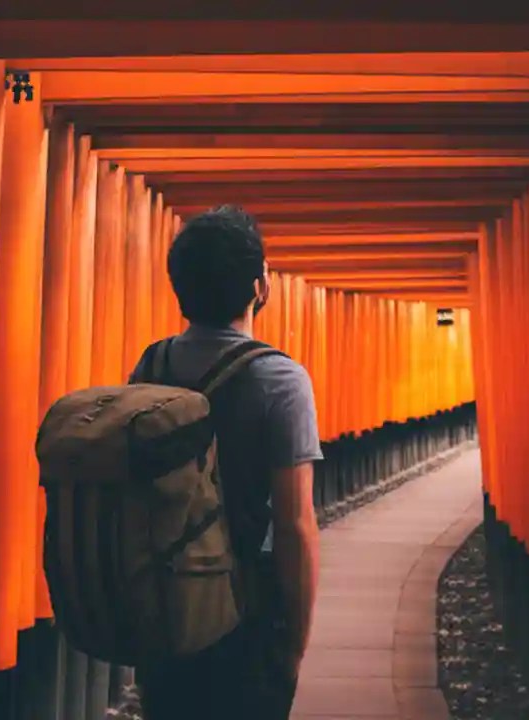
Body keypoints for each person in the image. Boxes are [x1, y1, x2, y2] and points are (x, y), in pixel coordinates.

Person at [129, 205, 322, 720]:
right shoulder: (279, 380)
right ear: (261, 286)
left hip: (164, 608)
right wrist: (294, 645)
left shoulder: (151, 365)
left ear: (180, 288)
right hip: (245, 616)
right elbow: (295, 525)